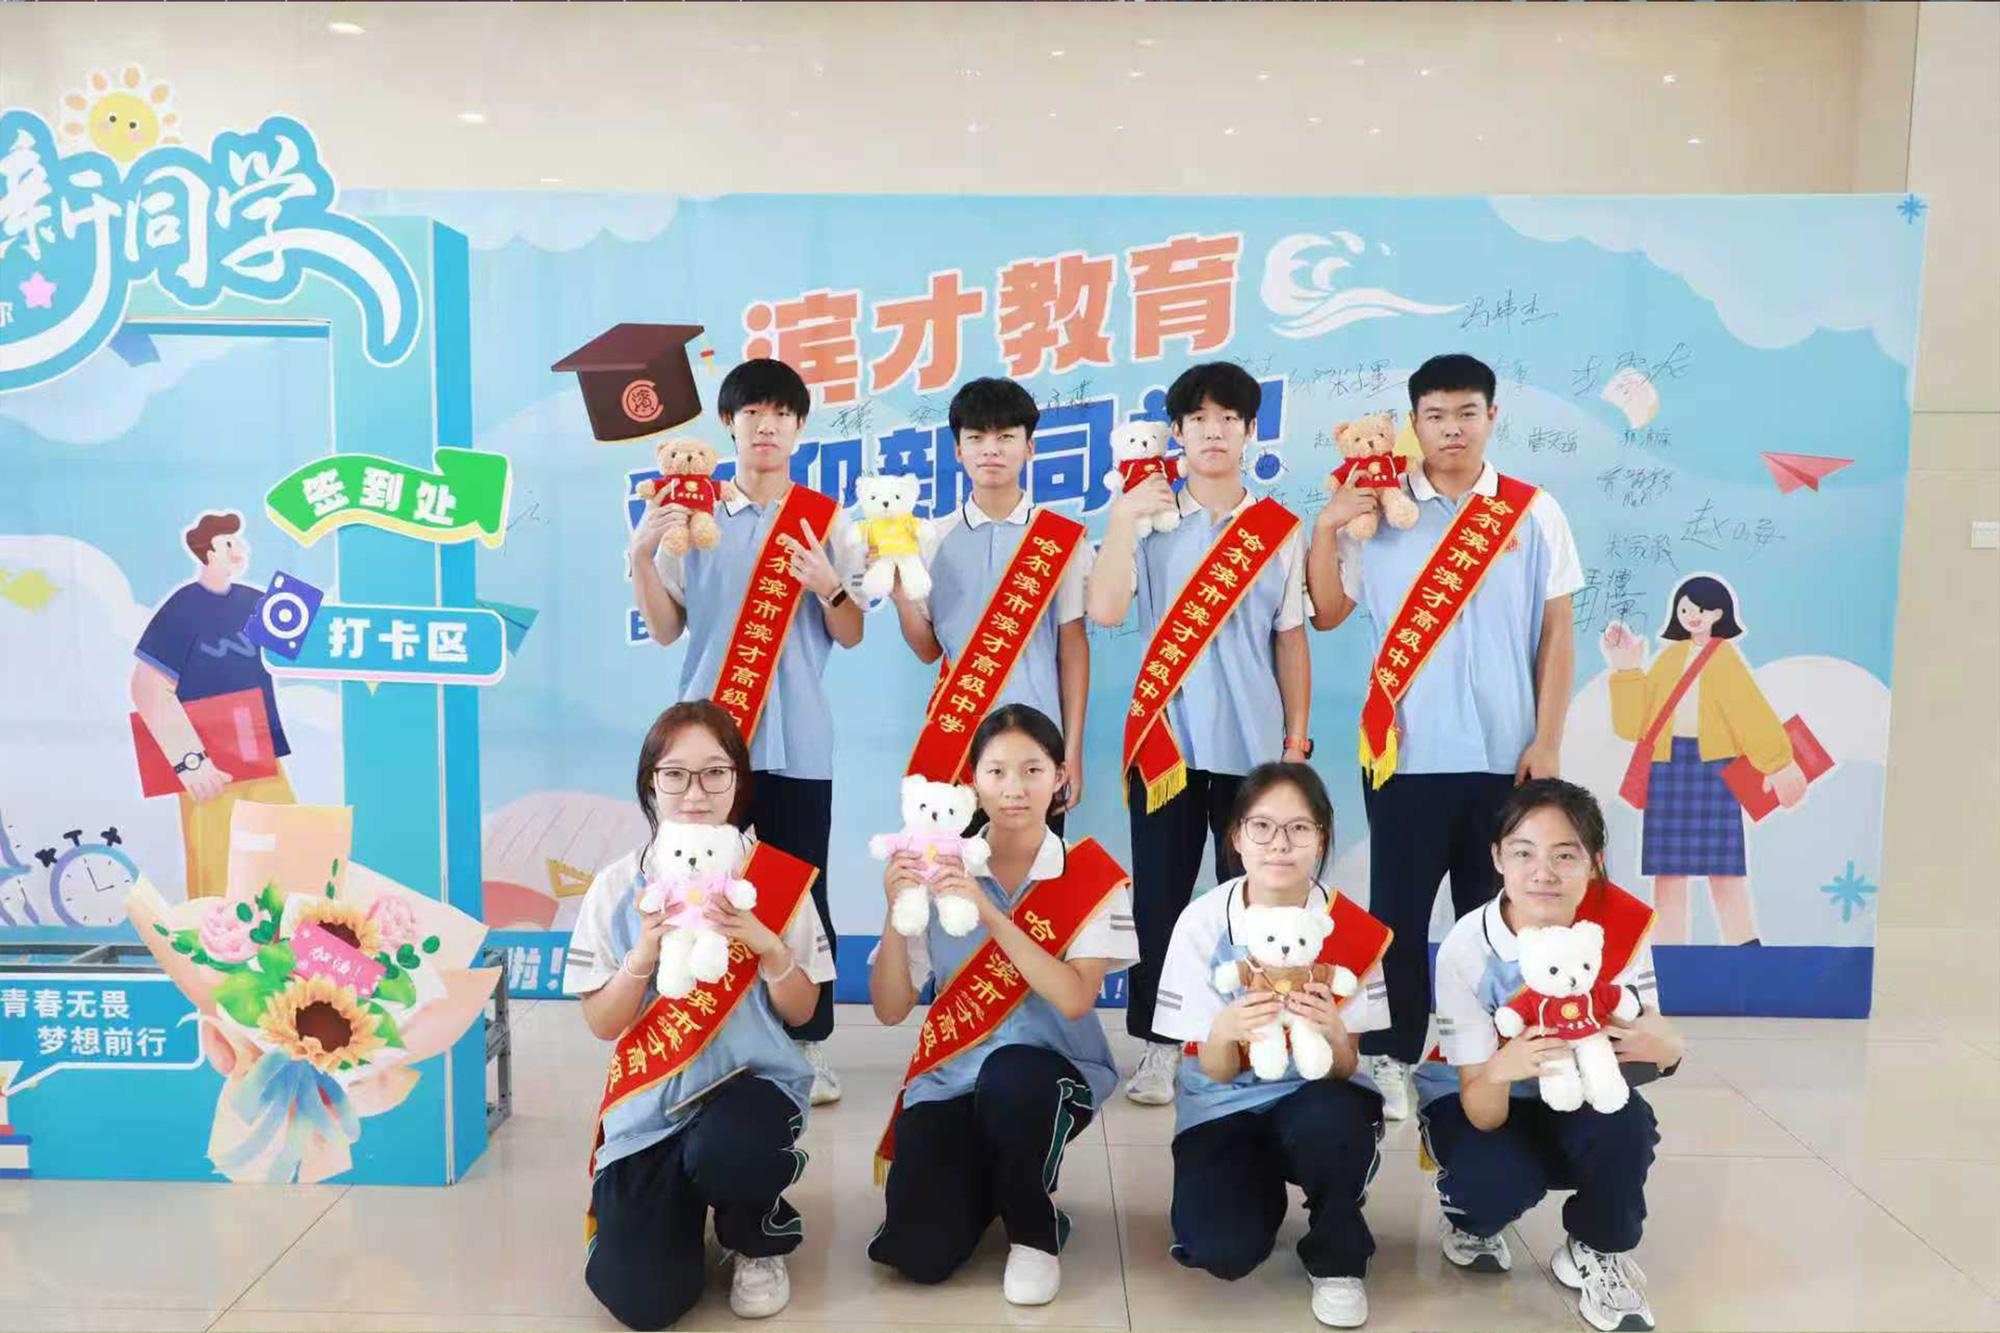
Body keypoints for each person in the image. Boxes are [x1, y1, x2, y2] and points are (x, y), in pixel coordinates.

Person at [1305, 353, 1582, 1120]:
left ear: (1492, 416)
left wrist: (1548, 739)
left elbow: (1558, 632)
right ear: (1413, 423)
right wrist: (1325, 528)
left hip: (1506, 756)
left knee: (1496, 916)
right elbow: (1327, 612)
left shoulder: (1532, 511)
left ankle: (1494, 1059)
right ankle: (1392, 1056)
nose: (1452, 428)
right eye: (1435, 415)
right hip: (1405, 754)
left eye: (1466, 412)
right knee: (1396, 913)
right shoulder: (1377, 508)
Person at [628, 357, 862, 1103]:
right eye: (753, 413)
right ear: (728, 423)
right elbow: (667, 629)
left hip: (799, 742)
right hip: (707, 748)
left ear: (800, 426)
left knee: (801, 892)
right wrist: (640, 553)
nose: (767, 426)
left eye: (782, 414)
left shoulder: (825, 520)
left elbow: (851, 631)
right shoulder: (692, 517)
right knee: (695, 888)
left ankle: (808, 1042)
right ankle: (700, 1033)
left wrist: (829, 585)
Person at [564, 702, 838, 1329]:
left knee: (731, 1149)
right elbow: (603, 1023)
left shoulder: (774, 880)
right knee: (643, 1301)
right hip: (650, 1107)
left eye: (715, 773)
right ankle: (675, 1206)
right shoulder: (616, 887)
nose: (695, 793)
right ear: (650, 784)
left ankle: (756, 1237)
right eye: (675, 775)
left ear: (739, 782)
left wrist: (768, 946)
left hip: (750, 1089)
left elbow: (802, 1011)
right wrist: (643, 954)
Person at [1086, 361, 1311, 1106]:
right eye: (1199, 419)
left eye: (1229, 419)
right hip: (1166, 747)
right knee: (1160, 900)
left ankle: (1251, 1036)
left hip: (1254, 749)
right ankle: (1158, 1045)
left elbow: (1289, 640)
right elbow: (1107, 611)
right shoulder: (1150, 516)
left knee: (1253, 900)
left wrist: (1296, 740)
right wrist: (1121, 520)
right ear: (1176, 432)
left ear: (1250, 432)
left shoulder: (1278, 530)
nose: (1214, 432)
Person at [867, 704, 1137, 1307]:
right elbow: (889, 1007)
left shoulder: (1088, 874)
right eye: (996, 772)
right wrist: (895, 909)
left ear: (1060, 777)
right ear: (972, 782)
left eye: (1032, 770)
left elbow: (1074, 998)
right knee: (919, 1253)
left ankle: (1034, 1235)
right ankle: (997, 1181)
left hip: (1046, 1075)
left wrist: (990, 913)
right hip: (951, 1076)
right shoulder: (938, 867)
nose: (1014, 788)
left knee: (1011, 1077)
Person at [1415, 778, 1682, 1333]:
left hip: (1576, 1086)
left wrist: (1669, 1049)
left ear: (1595, 862)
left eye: (1565, 855)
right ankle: (1470, 1220)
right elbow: (1481, 1107)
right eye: (1524, 853)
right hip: (1483, 1094)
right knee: (1494, 1179)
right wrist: (1504, 1066)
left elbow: (1645, 1031)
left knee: (1626, 1124)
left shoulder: (1620, 923)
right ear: (1497, 858)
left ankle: (1596, 1249)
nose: (1544, 873)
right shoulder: (1468, 946)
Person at [1151, 762, 1394, 1329]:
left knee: (1332, 1123)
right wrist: (1224, 1031)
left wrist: (1333, 1032)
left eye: (1299, 829)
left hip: (1315, 1096)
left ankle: (1338, 1256)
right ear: (1236, 837)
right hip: (1222, 1105)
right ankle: (1255, 1184)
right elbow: (1212, 1072)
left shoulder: (1351, 928)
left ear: (1321, 840)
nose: (1279, 845)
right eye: (1261, 827)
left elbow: (1346, 1066)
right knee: (1221, 1249)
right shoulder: (1201, 923)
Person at [888, 377, 1093, 825]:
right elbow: (927, 650)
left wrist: (1072, 751)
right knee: (954, 867)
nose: (991, 450)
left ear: (1029, 447)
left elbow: (1073, 649)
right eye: (977, 438)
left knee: (1035, 869)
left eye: (1005, 437)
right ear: (958, 450)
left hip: (1038, 748)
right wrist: (902, 600)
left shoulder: (1061, 539)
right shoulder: (930, 539)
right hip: (957, 743)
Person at [1603, 573, 1807, 945]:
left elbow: (1749, 712)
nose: (1692, 616)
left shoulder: (1724, 658)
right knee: (1668, 871)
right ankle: (1668, 951)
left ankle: (1744, 947)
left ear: (1718, 613)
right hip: (1667, 768)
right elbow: (1635, 724)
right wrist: (1627, 669)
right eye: (1685, 609)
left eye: (1700, 609)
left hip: (1715, 768)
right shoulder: (1669, 658)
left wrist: (1778, 763)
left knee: (1724, 869)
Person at [130, 511, 296, 900]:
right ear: (207, 551)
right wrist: (191, 761)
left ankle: (290, 934)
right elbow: (147, 686)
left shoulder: (255, 602)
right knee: (218, 870)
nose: (240, 549)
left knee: (288, 850)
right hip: (211, 762)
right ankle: (217, 940)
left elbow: (315, 641)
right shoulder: (183, 607)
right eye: (229, 543)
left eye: (239, 541)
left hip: (260, 750)